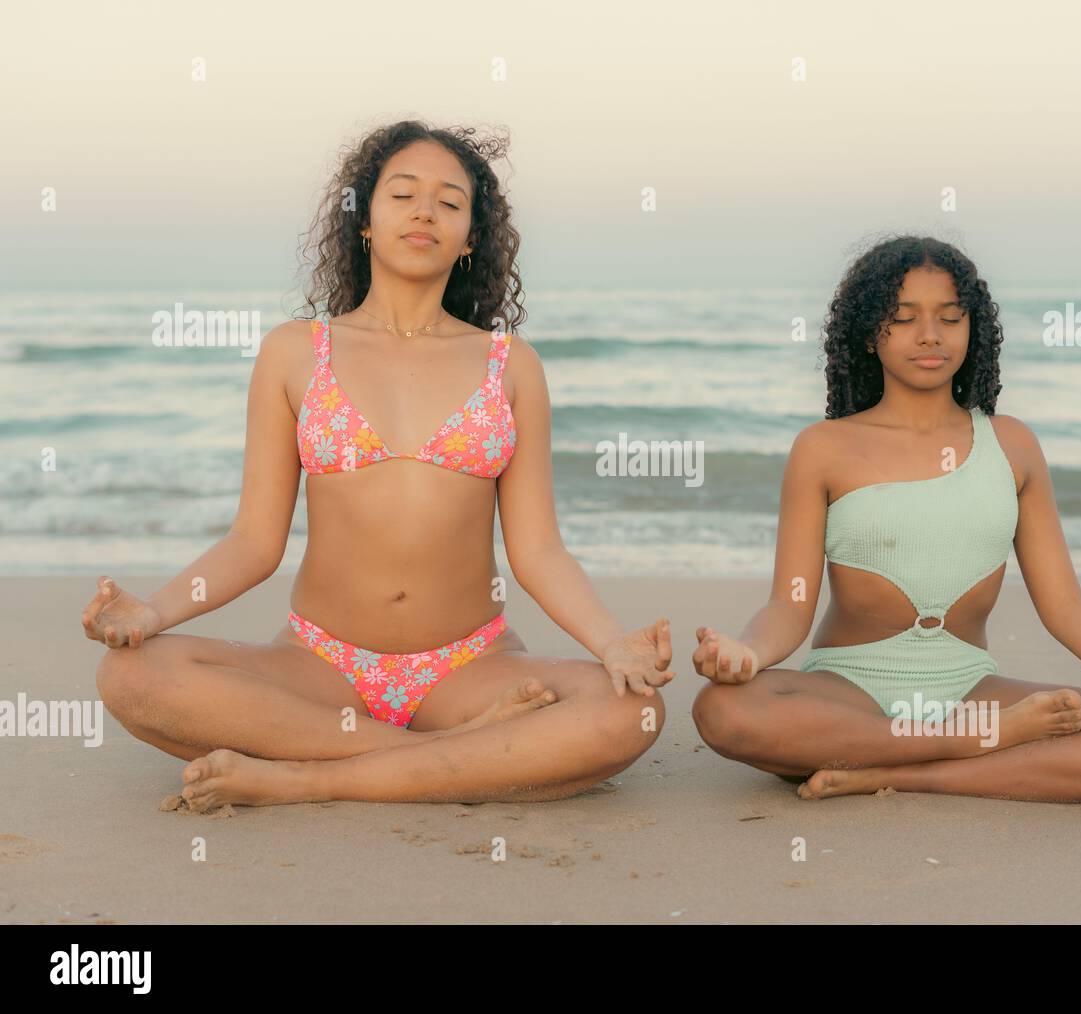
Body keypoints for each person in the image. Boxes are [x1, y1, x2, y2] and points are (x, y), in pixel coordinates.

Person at [86, 122, 673, 810]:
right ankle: (448, 760)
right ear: (363, 221)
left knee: (631, 712)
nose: (425, 211)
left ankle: (310, 776)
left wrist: (613, 647)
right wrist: (151, 614)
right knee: (130, 677)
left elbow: (538, 550)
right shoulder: (295, 353)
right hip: (318, 666)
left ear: (473, 237)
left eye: (451, 203)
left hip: (468, 668)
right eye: (403, 195)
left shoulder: (510, 366)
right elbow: (254, 541)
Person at [690, 235, 1081, 803]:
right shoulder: (823, 448)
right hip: (847, 694)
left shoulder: (1012, 445)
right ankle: (968, 743)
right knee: (723, 708)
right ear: (868, 333)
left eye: (950, 317)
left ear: (973, 327)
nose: (930, 335)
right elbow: (789, 603)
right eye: (903, 319)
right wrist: (749, 653)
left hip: (967, 689)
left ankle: (896, 771)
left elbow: (1067, 605)